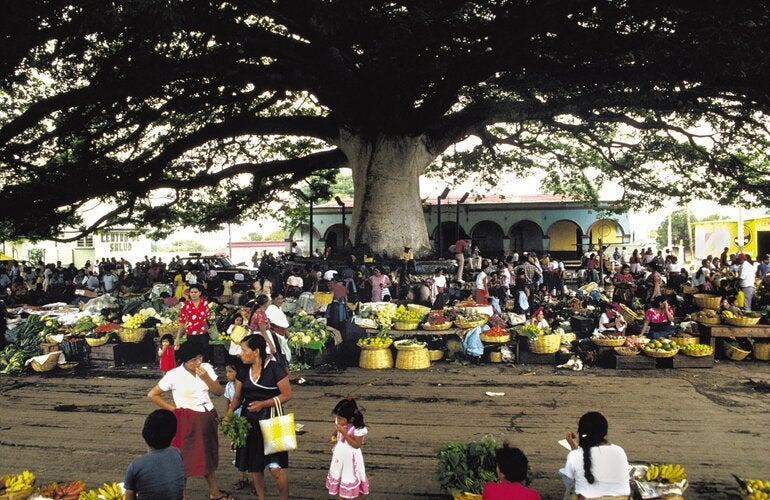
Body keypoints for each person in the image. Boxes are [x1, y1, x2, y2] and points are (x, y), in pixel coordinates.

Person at [146, 342, 231, 500]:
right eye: (193, 360)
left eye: (199, 357)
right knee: (183, 457)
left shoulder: (206, 368)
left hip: (207, 416)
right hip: (186, 418)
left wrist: (205, 377)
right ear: (184, 361)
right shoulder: (174, 374)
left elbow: (219, 392)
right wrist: (174, 410)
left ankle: (215, 492)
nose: (198, 362)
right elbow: (153, 394)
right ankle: (181, 495)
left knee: (208, 454)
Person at [226, 335, 292, 500]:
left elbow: (287, 395)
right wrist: (228, 414)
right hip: (250, 422)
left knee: (276, 468)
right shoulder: (243, 370)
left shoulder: (275, 368)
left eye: (244, 350)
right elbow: (238, 398)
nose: (241, 354)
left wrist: (263, 404)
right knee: (255, 467)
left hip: (273, 419)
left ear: (256, 351)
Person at [559, 412, 630, 500]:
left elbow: (571, 481)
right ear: (605, 434)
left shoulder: (575, 455)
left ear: (581, 434)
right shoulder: (619, 451)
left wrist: (574, 448)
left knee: (568, 481)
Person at [124, 409, 184, 500]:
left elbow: (129, 496)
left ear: (143, 433)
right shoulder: (177, 454)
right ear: (173, 436)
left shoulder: (136, 466)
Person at [326, 397, 369, 499]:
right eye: (337, 417)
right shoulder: (340, 422)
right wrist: (335, 434)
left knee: (352, 481)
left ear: (350, 419)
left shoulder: (357, 429)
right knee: (341, 481)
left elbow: (356, 445)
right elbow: (337, 430)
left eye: (340, 418)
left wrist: (344, 434)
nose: (338, 420)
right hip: (340, 456)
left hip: (351, 459)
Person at [223, 363, 251, 492]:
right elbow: (228, 403)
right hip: (234, 416)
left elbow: (237, 400)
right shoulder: (228, 386)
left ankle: (249, 476)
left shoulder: (243, 385)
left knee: (247, 447)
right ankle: (242, 476)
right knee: (239, 447)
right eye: (227, 372)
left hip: (243, 416)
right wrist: (226, 417)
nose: (227, 375)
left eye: (230, 372)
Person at [248, 294, 286, 368]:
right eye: (268, 301)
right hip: (260, 338)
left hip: (257, 336)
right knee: (267, 357)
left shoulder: (258, 311)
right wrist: (270, 344)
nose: (270, 302)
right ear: (265, 303)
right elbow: (263, 331)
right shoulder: (260, 314)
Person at [175, 284, 211, 360]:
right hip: (191, 334)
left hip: (203, 334)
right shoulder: (185, 305)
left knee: (203, 357)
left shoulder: (205, 303)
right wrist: (178, 337)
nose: (193, 294)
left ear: (200, 293)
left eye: (195, 292)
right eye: (191, 292)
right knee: (192, 357)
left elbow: (208, 316)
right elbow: (182, 321)